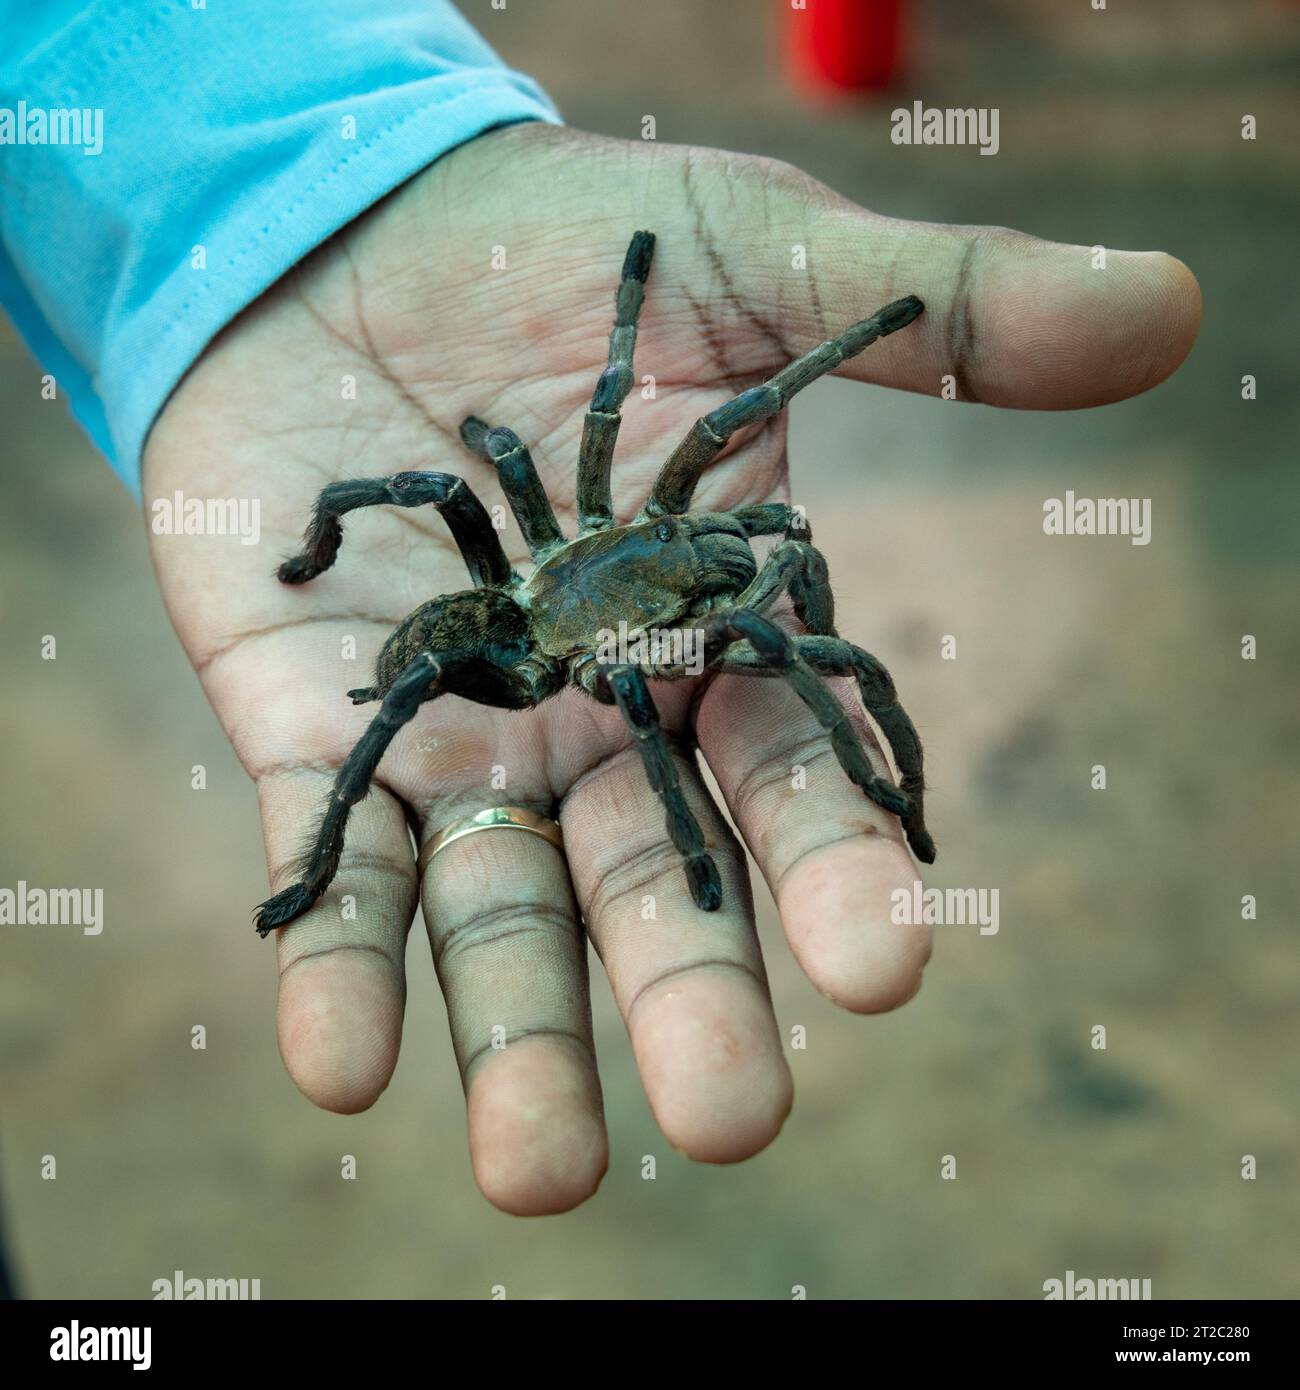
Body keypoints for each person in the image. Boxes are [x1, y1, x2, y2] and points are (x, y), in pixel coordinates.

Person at [1, 2, 1201, 1216]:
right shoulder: (628, 646)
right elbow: (653, 587)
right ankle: (329, 855)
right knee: (772, 647)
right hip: (529, 646)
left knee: (763, 606)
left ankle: (889, 796)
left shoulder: (641, 522)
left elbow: (626, 444)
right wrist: (690, 842)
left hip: (550, 581)